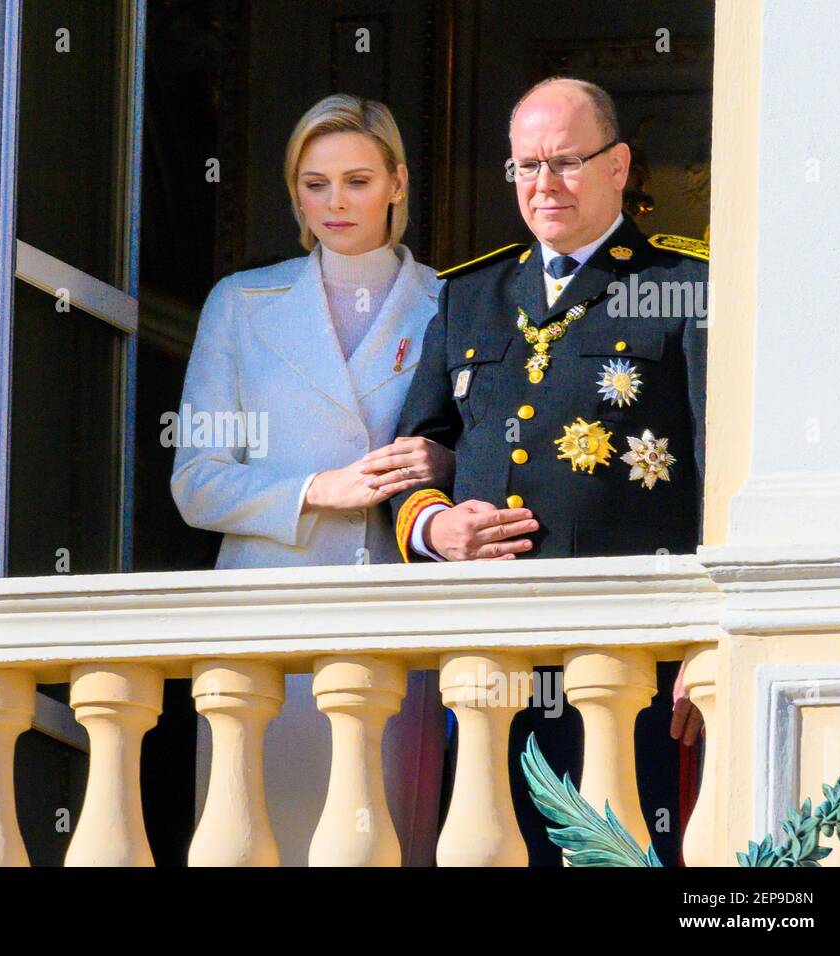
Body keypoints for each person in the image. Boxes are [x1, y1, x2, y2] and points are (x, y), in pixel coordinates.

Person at [382, 76, 708, 862]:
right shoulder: (472, 295)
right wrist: (436, 527)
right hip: (493, 659)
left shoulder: (686, 286)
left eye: (564, 161)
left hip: (632, 656)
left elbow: (719, 469)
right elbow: (410, 459)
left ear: (619, 164)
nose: (542, 185)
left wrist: (709, 640)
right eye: (525, 167)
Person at [171, 94, 452, 865]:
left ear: (397, 182)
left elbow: (485, 450)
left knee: (387, 842)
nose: (335, 202)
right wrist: (312, 490)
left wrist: (444, 465)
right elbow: (196, 483)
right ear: (294, 189)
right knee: (259, 838)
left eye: (357, 180)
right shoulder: (240, 305)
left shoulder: (453, 303)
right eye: (315, 181)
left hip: (397, 616)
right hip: (266, 617)